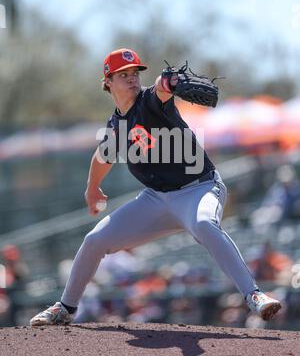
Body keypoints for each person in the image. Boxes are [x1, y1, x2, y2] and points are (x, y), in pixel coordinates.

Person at [30, 48, 281, 326]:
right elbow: (102, 156)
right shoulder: (115, 125)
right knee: (94, 240)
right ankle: (65, 308)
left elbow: (162, 87)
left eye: (135, 73)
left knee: (204, 224)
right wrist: (92, 188)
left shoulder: (150, 101)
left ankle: (254, 295)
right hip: (155, 200)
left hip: (199, 189)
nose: (132, 79)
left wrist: (170, 82)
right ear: (108, 82)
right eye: (123, 75)